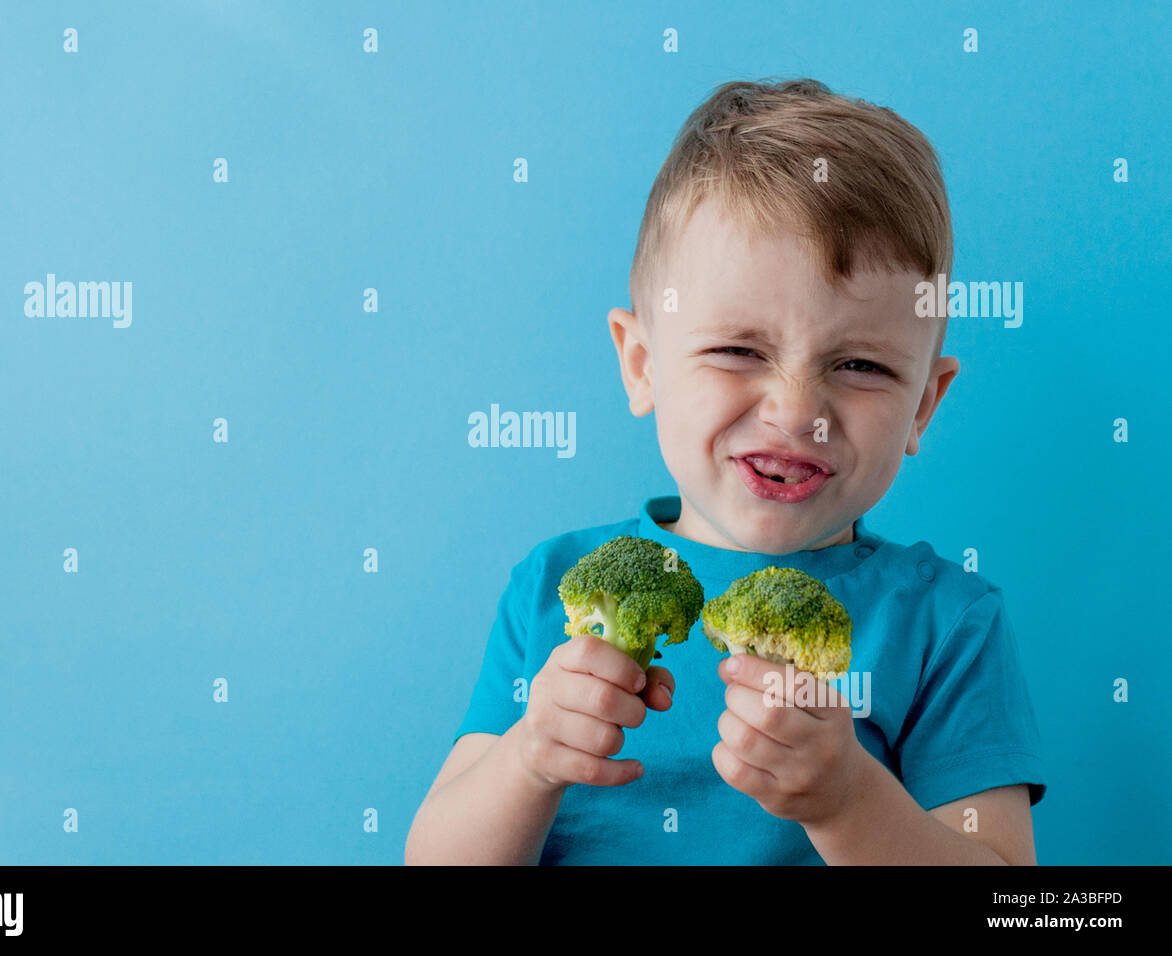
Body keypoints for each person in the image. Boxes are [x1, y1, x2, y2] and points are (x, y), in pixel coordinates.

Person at [405, 78, 1046, 865]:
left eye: (859, 364)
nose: (794, 410)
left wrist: (849, 800)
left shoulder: (948, 622)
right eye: (740, 351)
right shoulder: (553, 587)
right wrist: (529, 757)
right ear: (642, 364)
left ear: (924, 405)